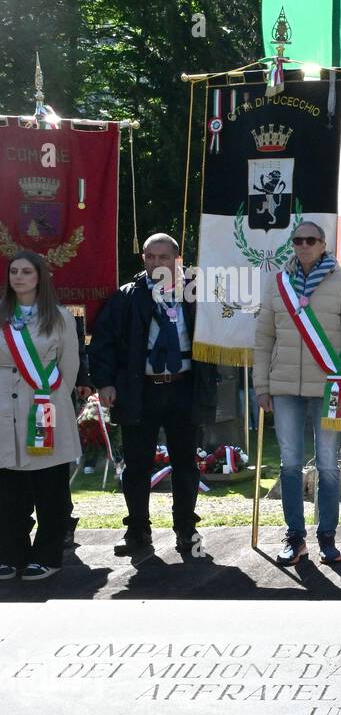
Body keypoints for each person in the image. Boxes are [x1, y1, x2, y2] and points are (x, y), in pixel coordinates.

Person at [89, 233, 214, 557]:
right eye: (149, 257)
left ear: (177, 259)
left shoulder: (196, 294)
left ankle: (186, 530)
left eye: (163, 257)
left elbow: (219, 333)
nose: (156, 263)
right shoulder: (126, 297)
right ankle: (137, 530)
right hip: (140, 389)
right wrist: (105, 383)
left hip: (184, 386)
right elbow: (103, 342)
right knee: (136, 465)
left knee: (186, 463)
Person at [254, 221, 341, 566]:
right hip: (284, 386)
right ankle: (295, 537)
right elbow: (263, 339)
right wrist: (261, 385)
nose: (303, 245)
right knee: (289, 464)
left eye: (310, 240)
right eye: (298, 240)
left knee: (329, 466)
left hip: (330, 388)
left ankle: (327, 536)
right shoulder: (278, 283)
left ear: (323, 244)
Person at [0, 251, 79, 580]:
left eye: (26, 272)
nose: (18, 277)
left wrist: (49, 399)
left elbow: (70, 367)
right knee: (8, 490)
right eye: (13, 271)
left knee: (50, 487)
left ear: (40, 277)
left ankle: (46, 555)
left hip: (46, 408)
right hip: (4, 412)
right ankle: (9, 553)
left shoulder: (61, 318)